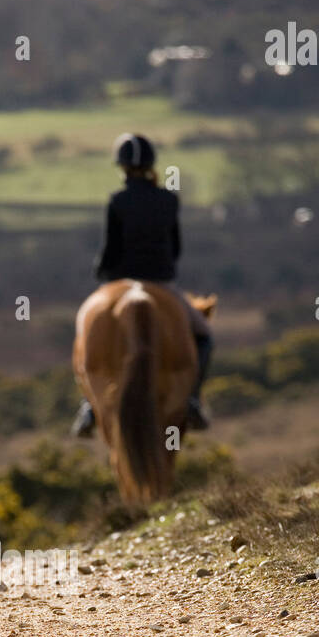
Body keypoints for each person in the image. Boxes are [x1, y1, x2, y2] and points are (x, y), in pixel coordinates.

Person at [72, 132, 212, 437]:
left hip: (121, 281)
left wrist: (100, 271)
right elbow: (175, 250)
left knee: (87, 333)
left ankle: (88, 406)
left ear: (122, 167)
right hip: (163, 285)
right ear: (151, 165)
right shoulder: (169, 200)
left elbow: (110, 253)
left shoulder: (117, 201)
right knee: (204, 336)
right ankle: (191, 400)